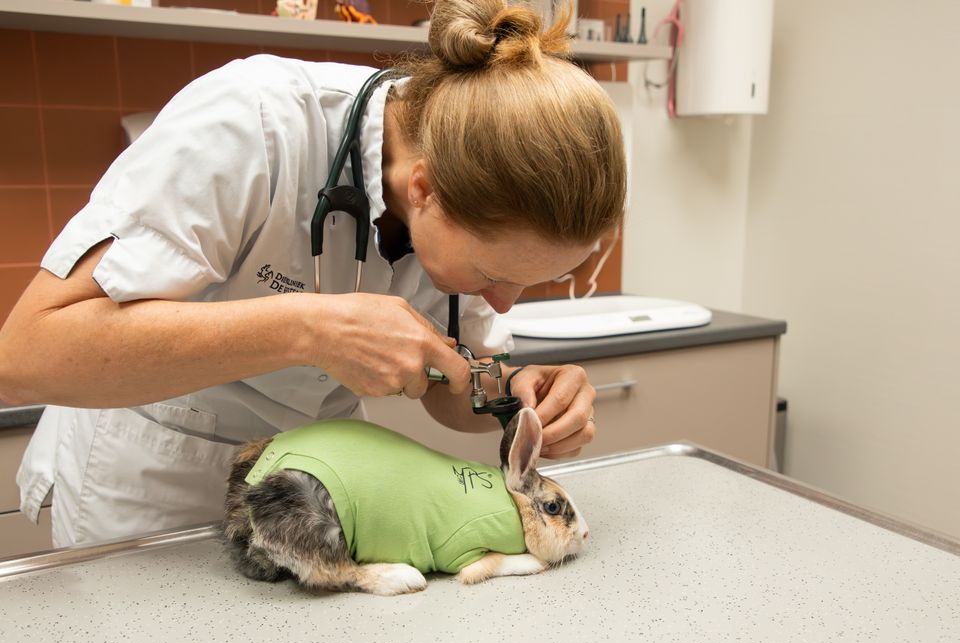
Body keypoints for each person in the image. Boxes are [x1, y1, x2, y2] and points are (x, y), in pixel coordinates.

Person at [0, 0, 626, 548]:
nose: (505, 303)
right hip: (154, 488)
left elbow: (448, 385)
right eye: (492, 272)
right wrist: (310, 330)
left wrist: (516, 395)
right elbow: (27, 357)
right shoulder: (256, 123)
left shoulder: (472, 187)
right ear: (426, 189)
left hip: (320, 495)